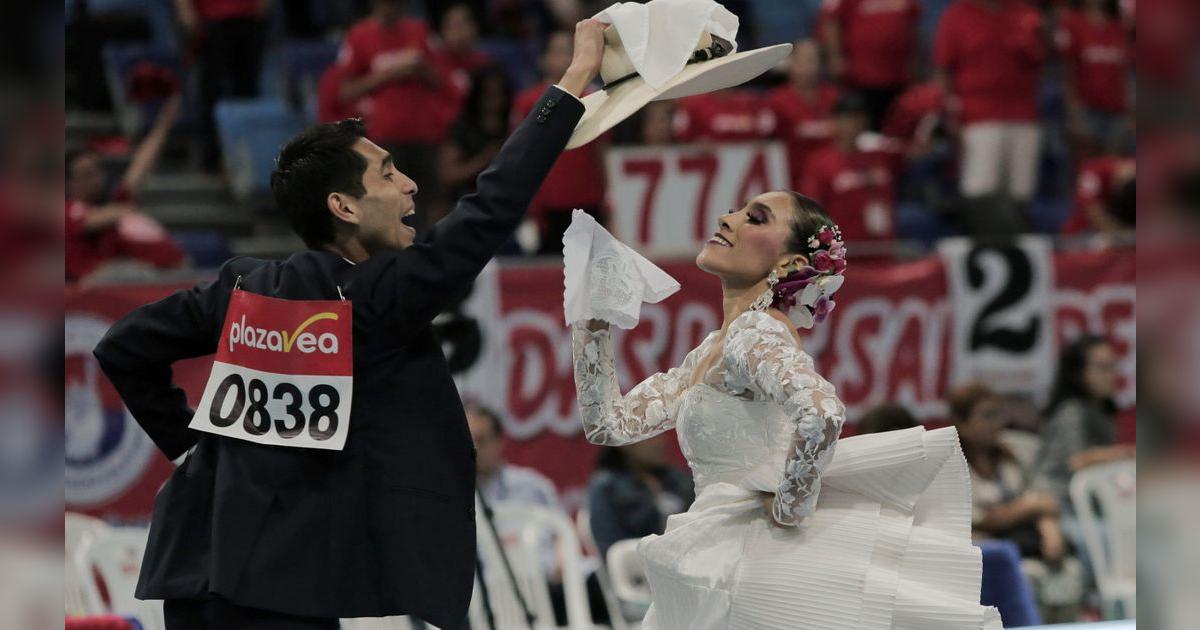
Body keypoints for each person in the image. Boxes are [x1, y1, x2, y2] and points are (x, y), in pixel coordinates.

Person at [91, 20, 605, 630]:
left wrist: (188, 443)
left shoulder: (244, 286)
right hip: (281, 589)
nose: (410, 183)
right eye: (387, 173)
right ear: (343, 206)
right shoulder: (379, 299)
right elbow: (492, 206)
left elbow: (123, 345)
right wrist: (573, 80)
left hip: (197, 568)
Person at [568, 190, 1001, 628]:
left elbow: (823, 412)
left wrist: (790, 506)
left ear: (789, 264)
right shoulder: (714, 349)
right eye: (736, 211)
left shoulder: (754, 332)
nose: (727, 219)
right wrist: (593, 322)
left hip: (751, 559)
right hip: (724, 548)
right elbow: (610, 424)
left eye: (755, 218)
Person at [949, 383, 1085, 623]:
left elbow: (1044, 501)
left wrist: (1050, 531)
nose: (995, 423)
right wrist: (1026, 508)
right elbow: (980, 519)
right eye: (986, 415)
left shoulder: (1015, 452)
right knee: (1023, 574)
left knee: (1070, 570)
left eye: (997, 414)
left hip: (1026, 542)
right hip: (986, 553)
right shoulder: (951, 466)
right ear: (963, 423)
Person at [336, 0, 455, 233]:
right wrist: (390, 74)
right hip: (384, 138)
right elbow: (346, 91)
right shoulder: (359, 36)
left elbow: (443, 80)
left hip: (423, 135)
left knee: (432, 204)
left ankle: (434, 249)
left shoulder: (419, 31)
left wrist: (421, 69)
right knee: (389, 207)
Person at [935, 0, 1047, 236]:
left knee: (1021, 188)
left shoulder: (1025, 13)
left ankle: (1015, 243)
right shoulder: (958, 15)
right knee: (980, 186)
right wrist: (947, 111)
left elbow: (1041, 62)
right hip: (978, 114)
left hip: (1023, 114)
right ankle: (979, 242)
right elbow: (943, 68)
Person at [66, 95, 186, 283]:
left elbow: (139, 167)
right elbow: (91, 219)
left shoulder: (113, 202)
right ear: (70, 183)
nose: (97, 178)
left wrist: (163, 125)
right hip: (95, 283)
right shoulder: (67, 211)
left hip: (144, 272)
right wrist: (122, 211)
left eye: (98, 170)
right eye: (87, 174)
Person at [513, 30, 606, 255]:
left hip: (586, 199)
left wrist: (606, 195)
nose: (564, 59)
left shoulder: (594, 98)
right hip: (547, 203)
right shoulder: (528, 101)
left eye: (570, 52)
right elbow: (521, 155)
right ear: (543, 59)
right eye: (558, 52)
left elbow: (601, 152)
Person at [1033, 335, 1134, 506]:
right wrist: (1127, 453)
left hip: (1085, 502)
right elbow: (1077, 460)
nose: (1111, 375)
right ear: (1077, 373)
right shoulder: (1072, 411)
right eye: (1103, 368)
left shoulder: (1100, 411)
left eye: (1113, 367)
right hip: (1054, 501)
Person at [175, 0, 270, 170]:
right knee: (211, 93)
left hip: (248, 19)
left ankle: (250, 159)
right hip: (211, 21)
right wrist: (186, 11)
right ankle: (211, 158)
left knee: (247, 93)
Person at [800, 92, 896, 246]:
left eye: (859, 118)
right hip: (844, 249)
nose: (854, 124)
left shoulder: (878, 158)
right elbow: (811, 212)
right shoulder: (820, 163)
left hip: (880, 247)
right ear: (835, 122)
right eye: (848, 118)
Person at [821, 0, 921, 130]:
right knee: (861, 128)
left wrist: (914, 62)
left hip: (897, 76)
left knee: (896, 127)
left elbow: (912, 25)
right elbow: (832, 22)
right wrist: (835, 57)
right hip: (859, 76)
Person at [587, 436, 695, 557]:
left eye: (659, 435)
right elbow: (611, 551)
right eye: (651, 437)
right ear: (626, 444)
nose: (661, 443)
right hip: (643, 565)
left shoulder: (678, 479)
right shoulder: (606, 487)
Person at [1057, 0, 1133, 158]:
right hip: (1086, 108)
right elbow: (1067, 70)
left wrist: (1132, 111)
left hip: (1117, 109)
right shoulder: (1073, 23)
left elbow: (1128, 71)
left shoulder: (1119, 27)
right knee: (1087, 163)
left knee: (1112, 164)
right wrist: (1073, 109)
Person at [765, 39, 840, 192]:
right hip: (791, 180)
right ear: (792, 63)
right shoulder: (777, 101)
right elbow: (767, 144)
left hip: (830, 182)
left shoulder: (833, 97)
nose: (811, 66)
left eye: (815, 60)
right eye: (805, 59)